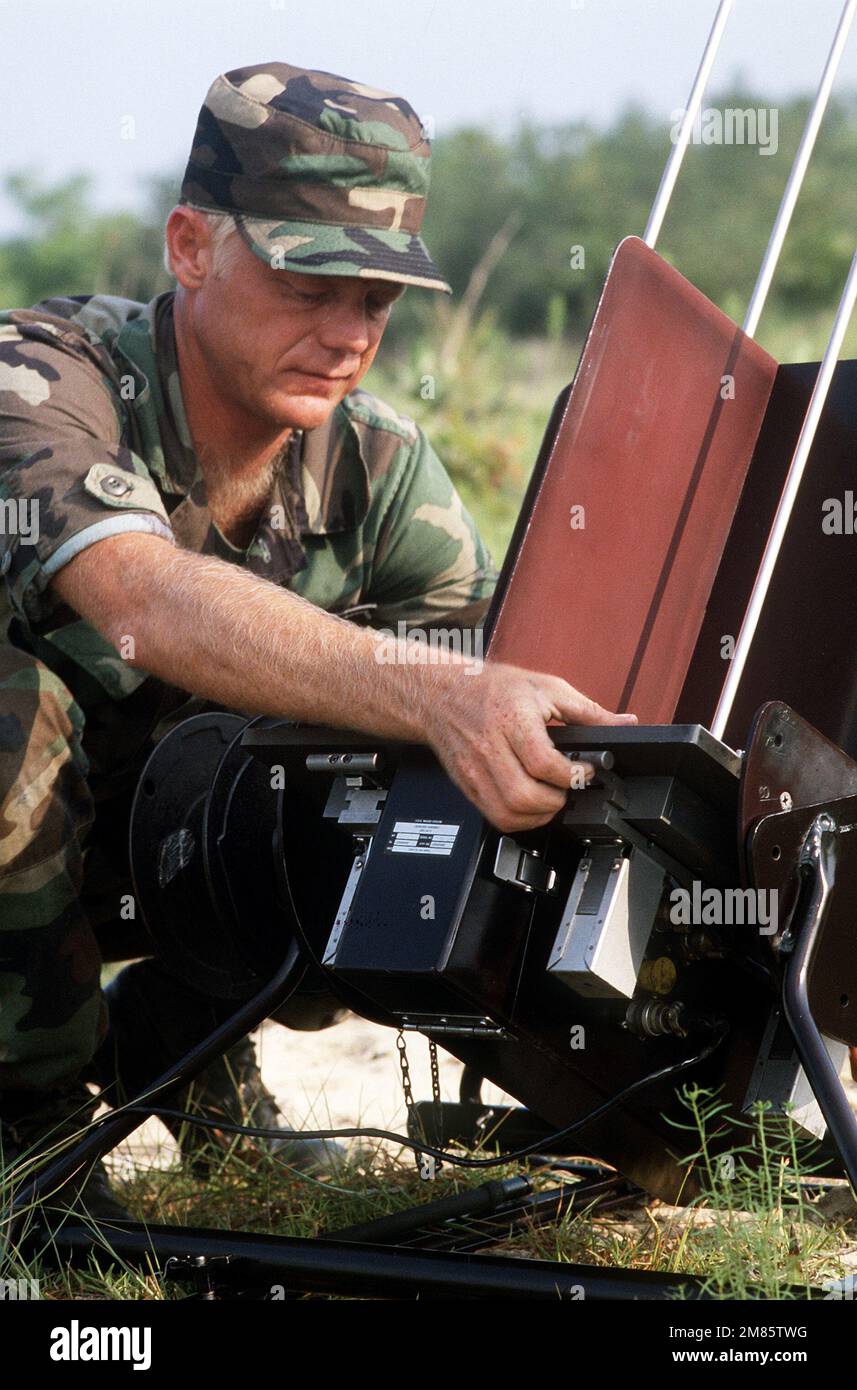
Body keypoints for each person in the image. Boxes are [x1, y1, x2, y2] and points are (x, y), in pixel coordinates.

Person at [0, 61, 635, 1222]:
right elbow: (139, 597)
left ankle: (190, 1048)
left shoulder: (382, 472)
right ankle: (33, 1147)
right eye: (310, 284)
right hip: (20, 829)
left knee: (382, 759)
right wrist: (430, 689)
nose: (348, 337)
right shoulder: (40, 379)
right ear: (191, 246)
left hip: (121, 852)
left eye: (379, 304)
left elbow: (483, 710)